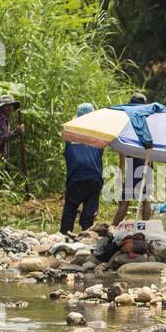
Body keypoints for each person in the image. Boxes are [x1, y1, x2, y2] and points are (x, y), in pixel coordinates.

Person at [61, 102, 104, 235]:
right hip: (94, 178)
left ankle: (64, 237)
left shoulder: (69, 134)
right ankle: (87, 238)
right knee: (88, 216)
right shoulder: (99, 135)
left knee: (69, 212)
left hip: (76, 178)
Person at [112, 92, 151, 225]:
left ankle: (113, 228)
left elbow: (123, 147)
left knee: (125, 200)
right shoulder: (149, 120)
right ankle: (144, 227)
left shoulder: (127, 121)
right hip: (147, 162)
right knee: (146, 198)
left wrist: (121, 171)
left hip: (134, 162)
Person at [0, 95, 23, 162]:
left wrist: (16, 132)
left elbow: (5, 137)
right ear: (1, 107)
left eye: (11, 105)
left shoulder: (5, 119)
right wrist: (16, 132)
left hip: (2, 157)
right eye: (6, 105)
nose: (10, 108)